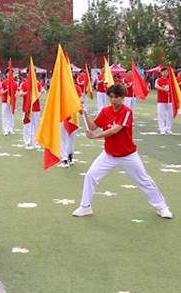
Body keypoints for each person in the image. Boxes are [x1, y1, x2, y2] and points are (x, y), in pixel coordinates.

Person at [72, 84, 172, 219]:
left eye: (116, 97)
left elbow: (115, 130)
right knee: (90, 175)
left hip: (128, 155)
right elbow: (92, 126)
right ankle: (85, 207)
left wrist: (95, 136)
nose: (113, 100)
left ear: (123, 97)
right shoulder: (105, 111)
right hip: (109, 154)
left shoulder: (127, 112)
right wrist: (84, 112)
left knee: (144, 180)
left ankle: (162, 207)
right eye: (111, 97)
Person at [155, 68, 173, 135]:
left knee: (170, 115)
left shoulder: (170, 80)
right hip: (161, 100)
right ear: (161, 73)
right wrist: (164, 89)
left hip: (170, 100)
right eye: (164, 72)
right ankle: (162, 129)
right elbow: (156, 86)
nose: (165, 73)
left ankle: (168, 128)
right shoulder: (158, 80)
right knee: (161, 115)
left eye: (166, 72)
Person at [0, 68, 17, 135]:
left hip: (12, 101)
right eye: (9, 73)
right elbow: (1, 92)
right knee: (5, 115)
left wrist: (14, 97)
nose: (11, 74)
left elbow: (16, 92)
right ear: (6, 74)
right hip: (5, 101)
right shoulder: (4, 82)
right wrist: (6, 90)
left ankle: (10, 129)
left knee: (11, 115)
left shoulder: (15, 83)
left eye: (12, 73)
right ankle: (5, 130)